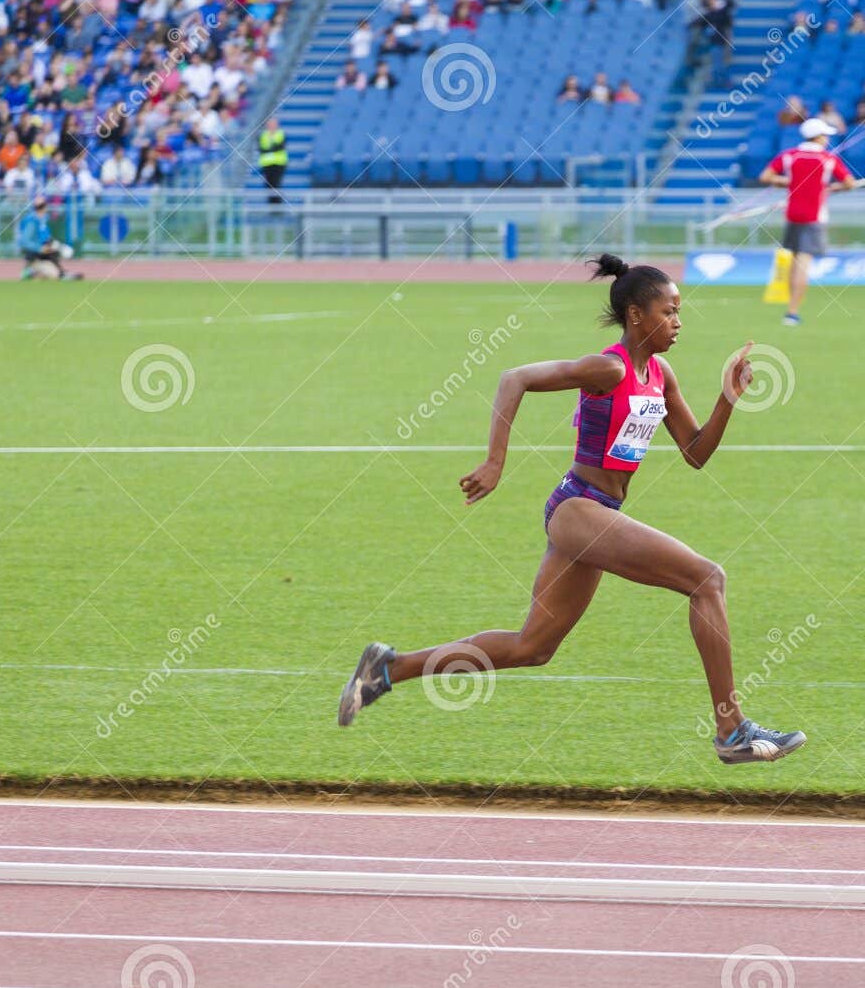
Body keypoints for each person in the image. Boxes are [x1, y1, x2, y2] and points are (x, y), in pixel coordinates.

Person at [337, 256, 807, 766]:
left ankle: (387, 669)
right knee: (706, 580)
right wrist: (496, 462)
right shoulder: (609, 368)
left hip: (595, 512)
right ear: (635, 315)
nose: (678, 322)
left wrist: (727, 399)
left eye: (679, 311)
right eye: (668, 311)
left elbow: (695, 453)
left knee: (532, 648)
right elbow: (514, 377)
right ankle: (731, 727)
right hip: (578, 509)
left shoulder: (660, 375)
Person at [758, 117, 857, 327]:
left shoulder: (790, 156)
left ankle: (791, 308)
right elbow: (850, 183)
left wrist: (786, 181)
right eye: (825, 135)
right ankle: (792, 312)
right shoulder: (827, 159)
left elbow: (766, 176)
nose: (827, 139)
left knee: (795, 261)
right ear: (818, 136)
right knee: (803, 264)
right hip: (814, 218)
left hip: (792, 215)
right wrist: (834, 188)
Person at [15, 195, 83, 280]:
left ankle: (60, 273)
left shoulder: (42, 220)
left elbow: (46, 238)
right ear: (44, 207)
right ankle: (31, 271)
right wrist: (40, 248)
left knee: (54, 258)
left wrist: (55, 246)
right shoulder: (32, 221)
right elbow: (25, 242)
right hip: (35, 257)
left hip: (45, 255)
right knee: (53, 275)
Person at [258, 116, 287, 204]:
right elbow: (261, 149)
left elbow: (279, 147)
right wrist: (271, 148)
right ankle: (271, 206)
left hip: (279, 164)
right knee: (268, 185)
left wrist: (269, 149)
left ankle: (277, 206)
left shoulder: (281, 134)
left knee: (276, 185)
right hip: (267, 164)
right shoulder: (263, 135)